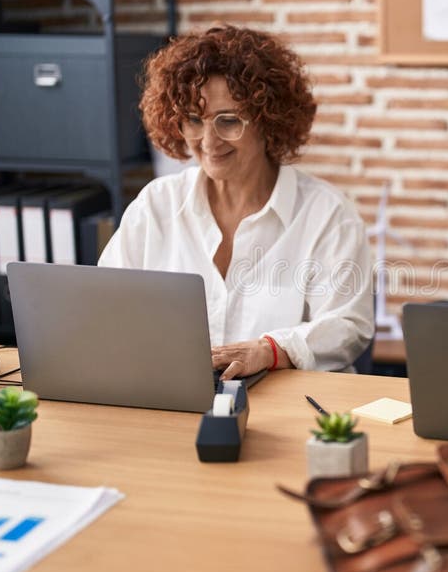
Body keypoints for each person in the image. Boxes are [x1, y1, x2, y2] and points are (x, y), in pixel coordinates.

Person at [100, 25, 373, 379]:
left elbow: (348, 326)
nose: (209, 141)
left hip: (287, 406)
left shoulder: (328, 215)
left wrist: (271, 350)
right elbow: (106, 307)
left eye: (228, 120)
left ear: (268, 121)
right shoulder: (156, 204)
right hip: (173, 399)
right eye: (194, 120)